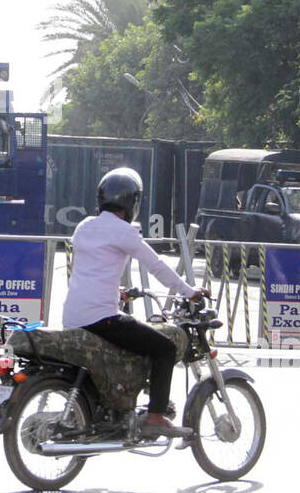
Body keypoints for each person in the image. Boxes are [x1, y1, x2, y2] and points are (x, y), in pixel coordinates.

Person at [62, 167, 206, 438]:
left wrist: (118, 292)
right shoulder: (123, 231)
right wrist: (189, 292)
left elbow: (93, 269)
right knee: (164, 347)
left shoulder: (84, 227)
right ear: (133, 202)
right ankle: (155, 416)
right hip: (102, 319)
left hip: (73, 315)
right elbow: (157, 266)